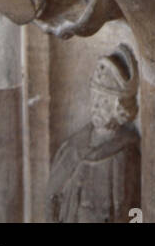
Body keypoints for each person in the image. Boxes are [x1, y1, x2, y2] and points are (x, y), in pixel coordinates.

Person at [47, 45, 141, 224]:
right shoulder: (73, 146)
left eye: (104, 101)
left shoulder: (124, 156)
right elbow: (52, 196)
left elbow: (127, 211)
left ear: (120, 108)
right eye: (95, 98)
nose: (96, 106)